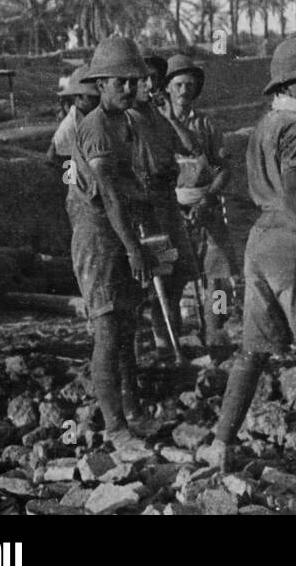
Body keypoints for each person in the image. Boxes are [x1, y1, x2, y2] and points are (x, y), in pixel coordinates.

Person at [205, 35, 296, 475]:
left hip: (262, 240)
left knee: (253, 350)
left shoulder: (267, 124)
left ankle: (220, 444)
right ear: (289, 87)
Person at [67, 36, 155, 447]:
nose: (128, 89)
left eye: (133, 81)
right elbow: (110, 193)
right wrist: (135, 248)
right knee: (107, 328)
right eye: (120, 82)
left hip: (120, 230)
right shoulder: (96, 128)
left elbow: (132, 184)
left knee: (126, 326)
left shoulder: (129, 123)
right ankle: (115, 427)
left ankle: (133, 411)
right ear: (100, 84)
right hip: (98, 235)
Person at [164, 53, 238, 347]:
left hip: (205, 206)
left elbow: (224, 169)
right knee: (172, 281)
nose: (184, 92)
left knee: (217, 278)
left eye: (190, 86)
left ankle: (215, 332)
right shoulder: (157, 126)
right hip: (171, 210)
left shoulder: (206, 124)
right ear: (167, 88)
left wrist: (208, 198)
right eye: (179, 85)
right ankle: (171, 344)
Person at [131, 56, 201, 363]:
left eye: (154, 80)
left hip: (167, 200)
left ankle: (168, 344)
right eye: (144, 79)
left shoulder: (158, 116)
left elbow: (189, 147)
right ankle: (138, 353)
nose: (150, 85)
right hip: (142, 202)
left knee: (176, 275)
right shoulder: (126, 119)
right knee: (144, 282)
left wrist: (169, 116)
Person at [48, 65, 99, 165]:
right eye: (93, 98)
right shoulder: (70, 125)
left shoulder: (87, 118)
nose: (97, 101)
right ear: (80, 97)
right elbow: (53, 153)